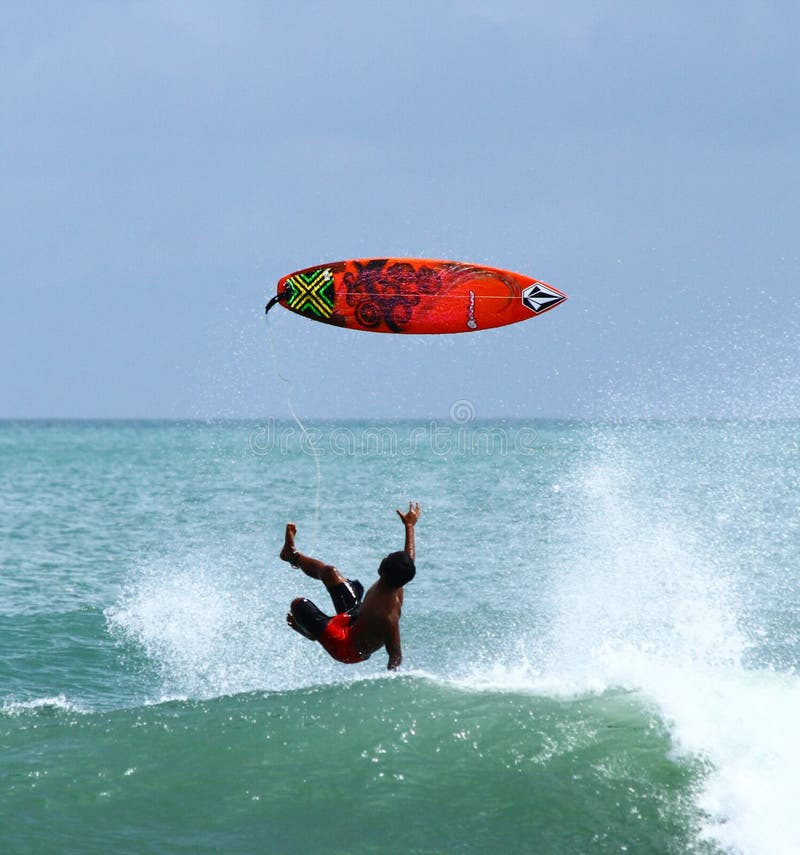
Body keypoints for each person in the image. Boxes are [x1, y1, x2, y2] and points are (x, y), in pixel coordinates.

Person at [280, 502, 421, 670]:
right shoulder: (399, 575)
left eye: (386, 558)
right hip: (355, 617)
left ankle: (313, 633)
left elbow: (395, 656)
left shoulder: (387, 615)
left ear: (382, 570)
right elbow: (408, 558)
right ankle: (291, 555)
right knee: (329, 572)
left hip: (346, 646)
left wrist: (391, 689)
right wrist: (409, 525)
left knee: (299, 604)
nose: (384, 558)